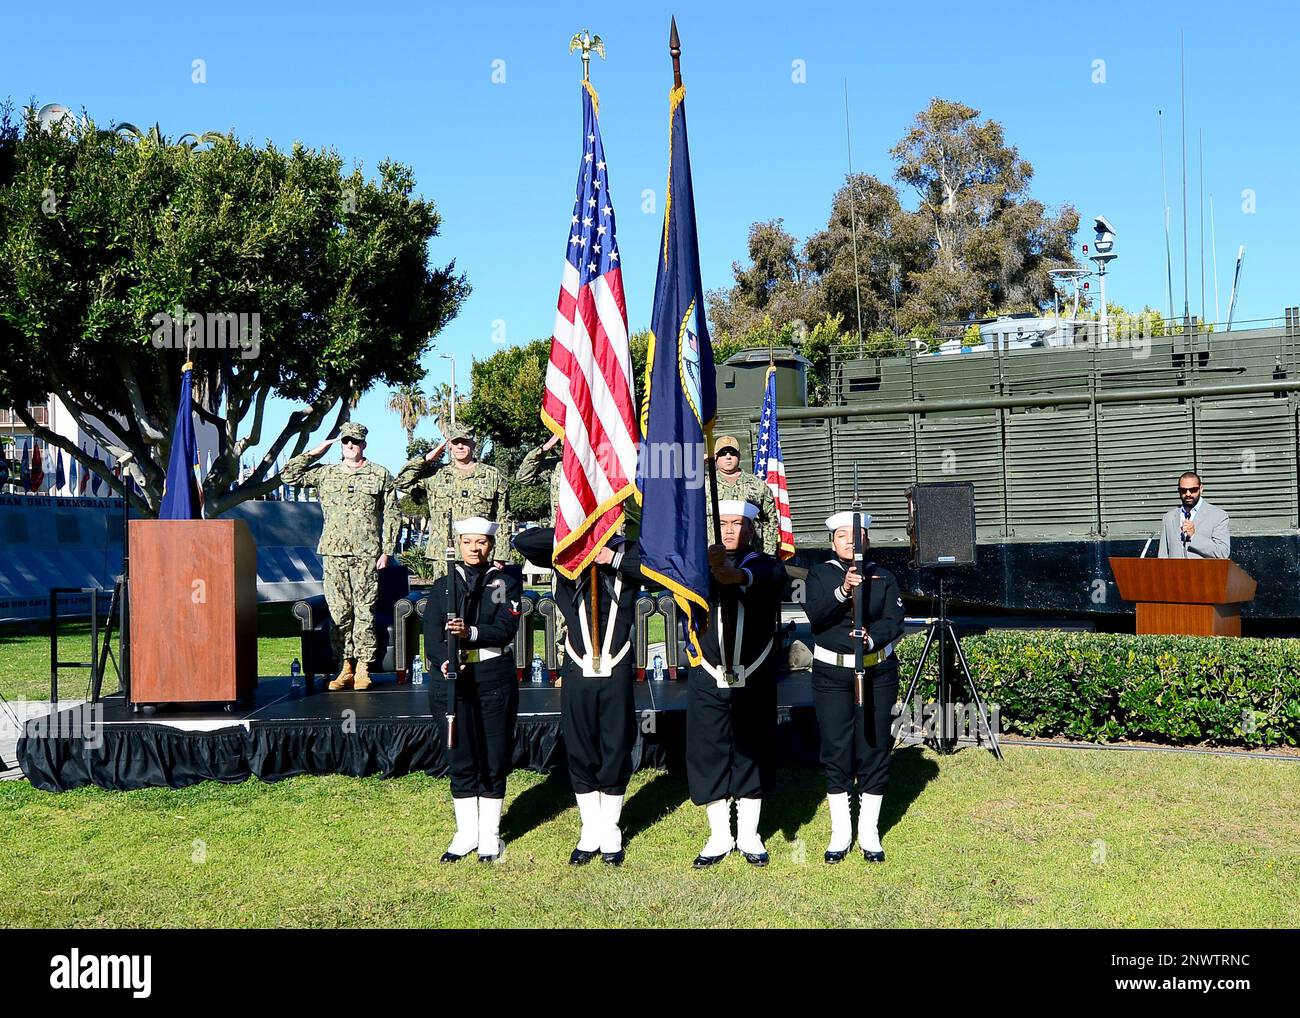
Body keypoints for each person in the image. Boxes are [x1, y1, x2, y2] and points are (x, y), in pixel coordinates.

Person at [512, 525, 642, 866]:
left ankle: (611, 829)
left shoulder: (630, 550)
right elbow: (523, 542)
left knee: (615, 744)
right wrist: (579, 534)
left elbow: (655, 571)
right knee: (581, 744)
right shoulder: (568, 547)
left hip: (616, 661)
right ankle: (590, 829)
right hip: (577, 661)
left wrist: (611, 555)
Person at [687, 500, 788, 868]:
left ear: (751, 529)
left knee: (753, 747)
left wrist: (729, 574)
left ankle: (749, 833)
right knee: (709, 751)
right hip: (708, 673)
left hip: (754, 673)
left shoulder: (762, 563)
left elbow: (764, 577)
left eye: (738, 524)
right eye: (724, 523)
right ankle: (718, 835)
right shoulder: (697, 562)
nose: (730, 530)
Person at [805, 509, 905, 864]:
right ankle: (841, 831)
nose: (850, 540)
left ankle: (869, 831)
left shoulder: (884, 576)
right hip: (833, 676)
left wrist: (871, 639)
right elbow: (816, 617)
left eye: (857, 534)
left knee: (874, 747)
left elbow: (894, 621)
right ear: (832, 542)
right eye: (842, 535)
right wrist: (843, 590)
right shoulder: (818, 575)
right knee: (837, 749)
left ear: (868, 539)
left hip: (878, 673)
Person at [424, 517, 522, 863]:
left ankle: (490, 835)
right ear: (459, 544)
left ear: (491, 545)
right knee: (460, 755)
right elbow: (431, 635)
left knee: (493, 756)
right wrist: (443, 661)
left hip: (493, 676)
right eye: (467, 542)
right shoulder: (443, 585)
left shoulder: (504, 583)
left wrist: (472, 633)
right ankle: (466, 832)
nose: (474, 549)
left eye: (481, 542)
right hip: (453, 680)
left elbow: (506, 628)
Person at [281, 422, 398, 691]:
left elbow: (392, 513)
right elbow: (288, 475)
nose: (350, 446)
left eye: (355, 441)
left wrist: (387, 550)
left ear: (363, 445)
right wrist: (315, 452)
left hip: (366, 553)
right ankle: (344, 664)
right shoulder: (326, 474)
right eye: (346, 441)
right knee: (339, 613)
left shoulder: (379, 474)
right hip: (333, 552)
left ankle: (364, 667)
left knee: (364, 611)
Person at [396, 425, 511, 578]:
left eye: (465, 442)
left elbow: (503, 516)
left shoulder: (492, 475)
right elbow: (401, 483)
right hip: (444, 554)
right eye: (456, 442)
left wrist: (501, 554)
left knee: (478, 601)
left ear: (473, 444)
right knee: (446, 600)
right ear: (449, 445)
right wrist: (427, 459)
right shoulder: (435, 475)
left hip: (479, 553)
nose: (460, 446)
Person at [704, 435, 779, 556]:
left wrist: (769, 555)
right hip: (713, 555)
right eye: (723, 453)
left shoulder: (758, 486)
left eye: (732, 453)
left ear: (739, 456)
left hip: (751, 555)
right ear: (715, 457)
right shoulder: (703, 486)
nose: (728, 457)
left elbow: (770, 521)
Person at [1157, 471, 1231, 559]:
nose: (1188, 494)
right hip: (1174, 572)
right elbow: (1163, 556)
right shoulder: (1168, 518)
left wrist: (1194, 536)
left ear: (1201, 488)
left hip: (1204, 572)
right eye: (1183, 490)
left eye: (1193, 490)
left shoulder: (1218, 516)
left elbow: (1223, 553)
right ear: (1179, 491)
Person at [514, 432, 562, 526]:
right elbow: (523, 477)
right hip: (560, 529)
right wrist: (544, 449)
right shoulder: (556, 465)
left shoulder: (594, 463)